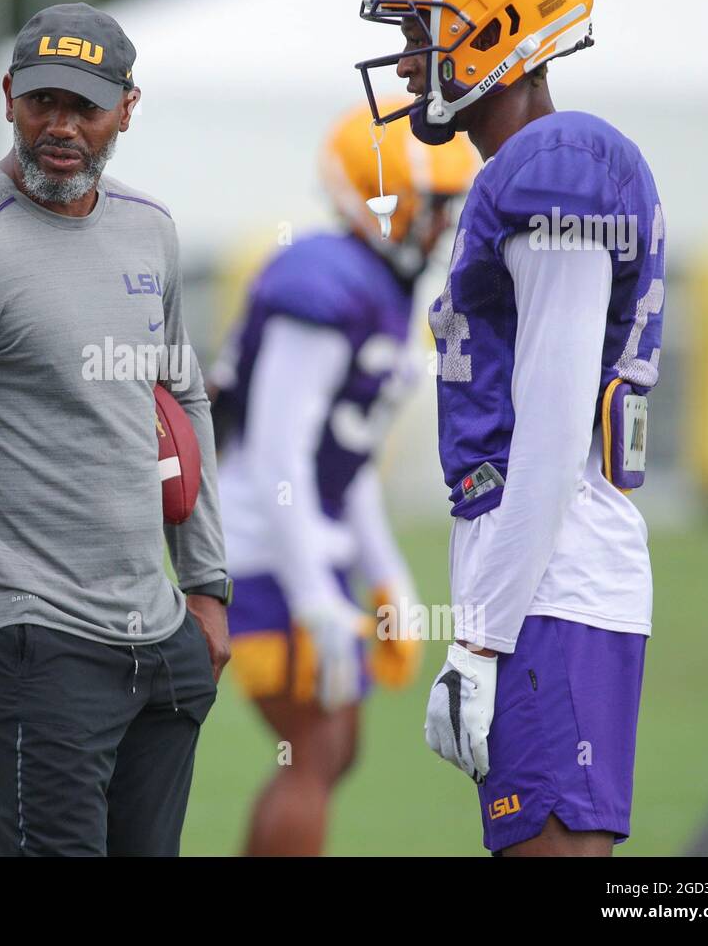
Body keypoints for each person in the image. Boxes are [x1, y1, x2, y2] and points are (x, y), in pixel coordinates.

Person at [0, 3, 230, 857]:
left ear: (127, 109)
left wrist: (206, 583)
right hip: (29, 645)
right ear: (10, 95)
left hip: (157, 641)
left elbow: (182, 396)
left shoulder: (150, 230)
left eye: (84, 107)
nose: (60, 127)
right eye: (42, 102)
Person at [356, 0, 666, 856]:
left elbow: (554, 422)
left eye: (423, 33)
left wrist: (482, 637)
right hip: (541, 579)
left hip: (553, 584)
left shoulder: (557, 163)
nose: (407, 62)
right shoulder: (520, 171)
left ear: (496, 30)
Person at [209, 102, 474, 855]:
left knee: (332, 748)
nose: (440, 224)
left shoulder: (374, 287)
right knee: (313, 749)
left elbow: (342, 459)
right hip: (266, 544)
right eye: (432, 206)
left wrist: (384, 571)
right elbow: (278, 453)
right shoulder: (323, 281)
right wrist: (319, 595)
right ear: (376, 196)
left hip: (298, 541)